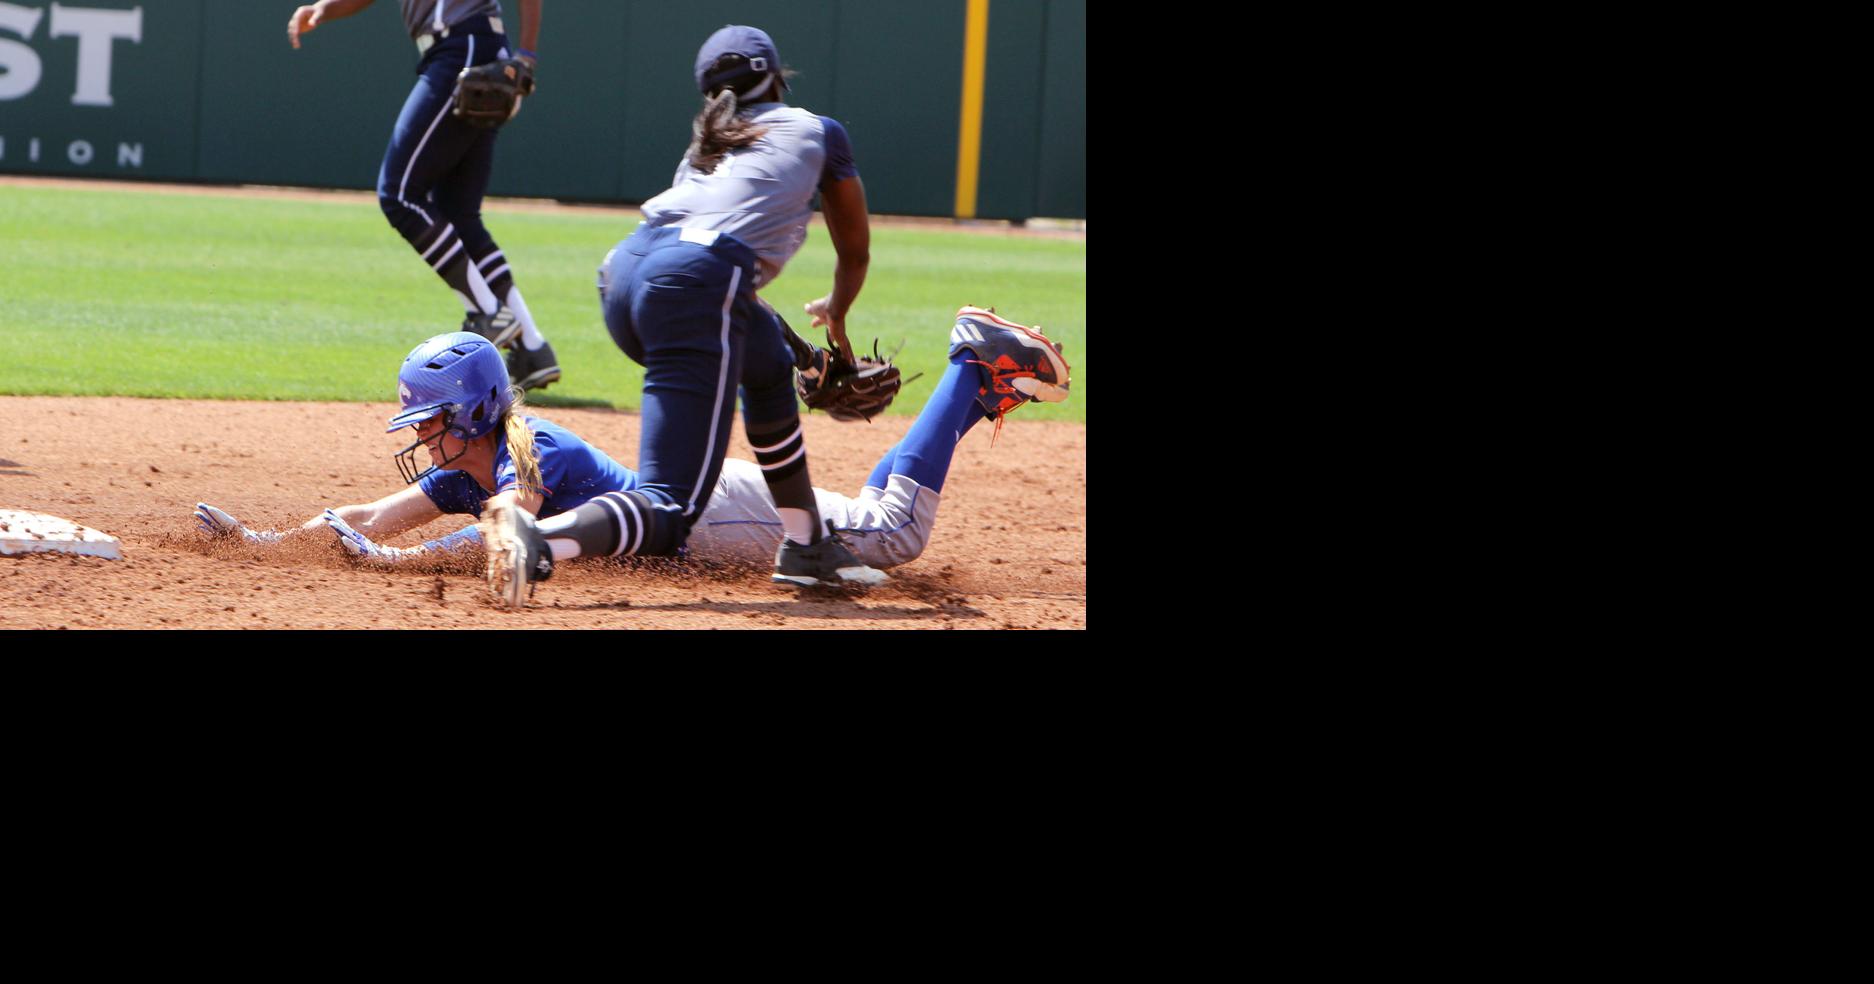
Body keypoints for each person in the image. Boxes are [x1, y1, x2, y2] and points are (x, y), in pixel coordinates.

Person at [192, 306, 1071, 605]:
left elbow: (501, 537)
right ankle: (976, 392)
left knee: (893, 534)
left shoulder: (529, 450)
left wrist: (394, 561)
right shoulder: (473, 452)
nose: (421, 434)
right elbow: (382, 512)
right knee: (869, 517)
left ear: (473, 411)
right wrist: (275, 542)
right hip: (712, 504)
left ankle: (968, 365)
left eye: (430, 420)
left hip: (720, 518)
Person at [478, 24, 881, 605]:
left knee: (766, 368)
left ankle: (806, 543)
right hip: (693, 288)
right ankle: (536, 538)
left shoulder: (706, 145)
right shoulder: (819, 130)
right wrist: (837, 315)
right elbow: (855, 251)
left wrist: (799, 352)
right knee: (670, 508)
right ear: (773, 76)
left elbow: (706, 275)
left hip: (625, 273)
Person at [287, 0, 561, 392]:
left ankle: (487, 311)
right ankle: (532, 348)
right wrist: (323, 9)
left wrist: (528, 54)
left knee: (399, 195)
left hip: (464, 48)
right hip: (468, 49)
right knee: (459, 214)